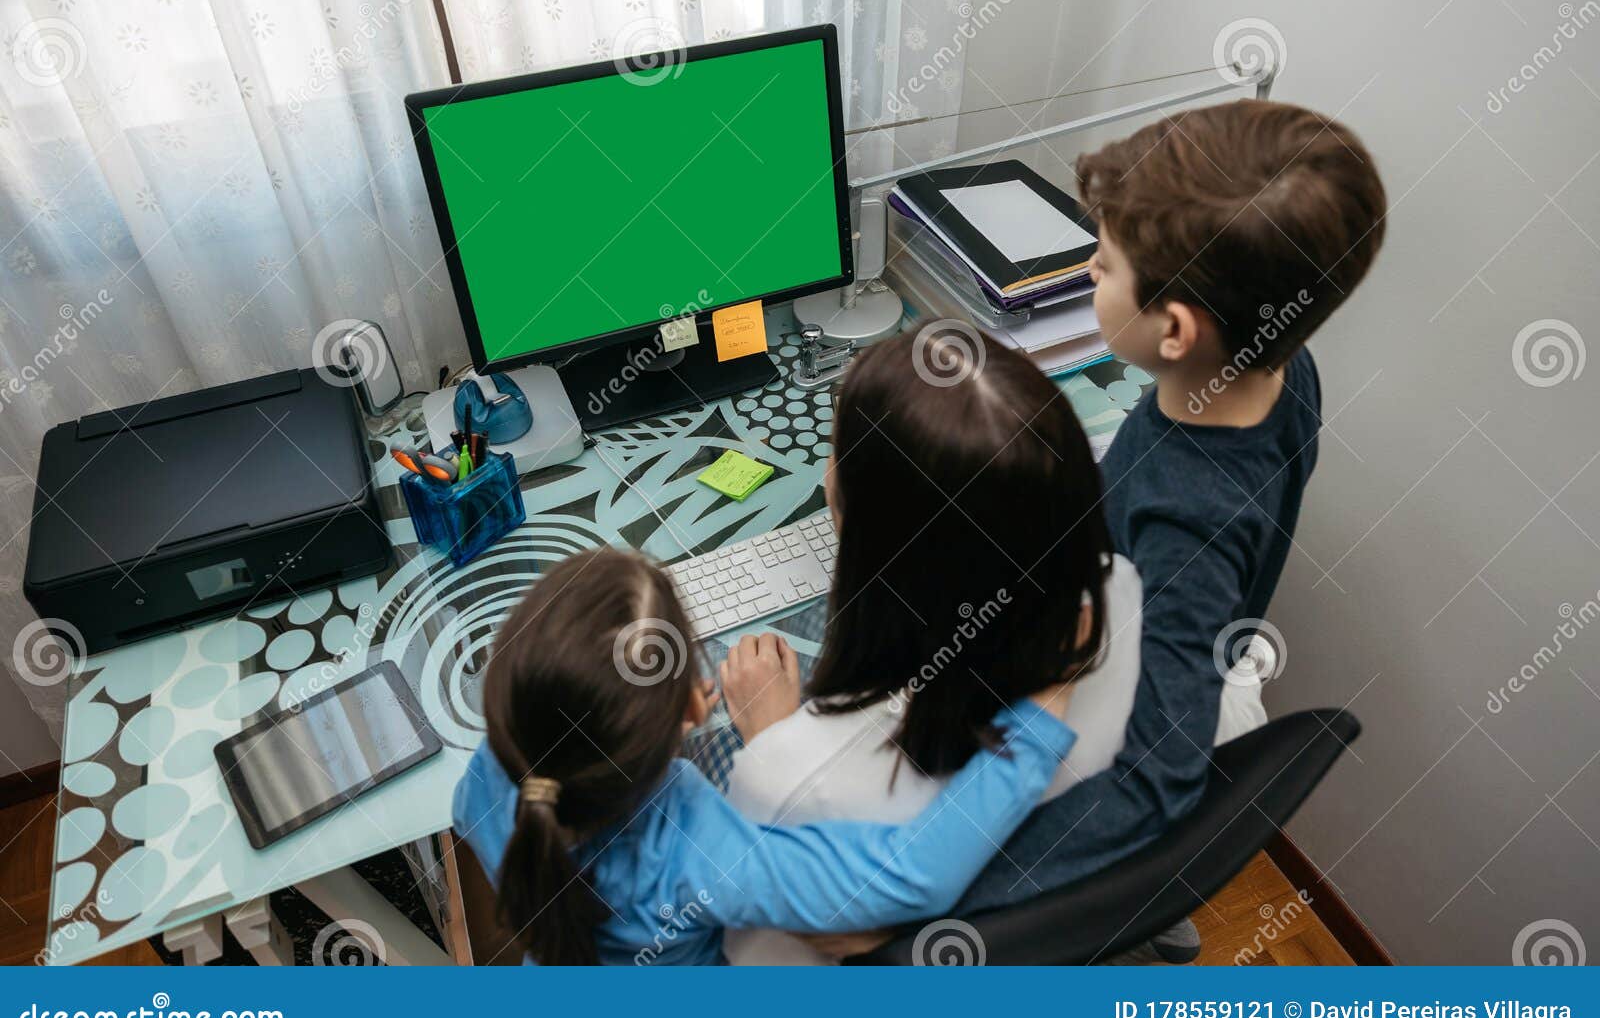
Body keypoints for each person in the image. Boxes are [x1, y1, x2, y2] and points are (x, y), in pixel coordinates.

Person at [952, 99, 1388, 916]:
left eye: (1104, 265)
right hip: (1132, 619)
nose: (1088, 273)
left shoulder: (1189, 522)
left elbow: (1158, 782)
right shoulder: (1283, 367)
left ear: (1178, 331)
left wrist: (952, 892)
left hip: (1093, 710)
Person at [718, 330, 1145, 964]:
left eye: (836, 454)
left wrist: (771, 738)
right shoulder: (1125, 591)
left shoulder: (793, 776)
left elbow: (760, 965)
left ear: (852, 518)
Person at [451, 545, 1081, 965]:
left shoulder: (493, 767)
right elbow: (912, 872)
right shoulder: (693, 847)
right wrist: (1038, 720)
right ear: (694, 715)